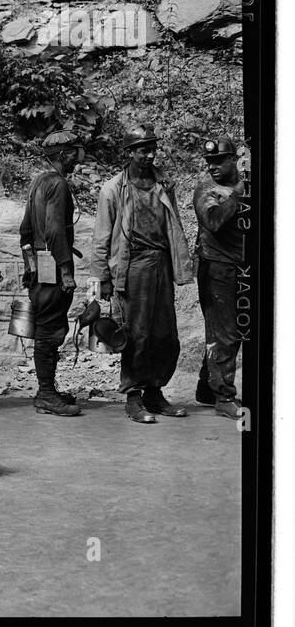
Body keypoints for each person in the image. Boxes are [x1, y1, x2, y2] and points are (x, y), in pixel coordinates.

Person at [92, 124, 194, 424]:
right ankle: (134, 397)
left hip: (160, 263)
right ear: (129, 152)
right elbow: (101, 238)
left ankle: (155, 393)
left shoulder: (164, 184)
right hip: (132, 266)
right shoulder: (113, 189)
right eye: (142, 149)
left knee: (165, 334)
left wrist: (179, 265)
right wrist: (104, 281)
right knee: (136, 334)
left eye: (152, 148)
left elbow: (173, 227)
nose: (148, 155)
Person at [19, 130, 85, 417]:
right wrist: (66, 271)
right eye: (75, 153)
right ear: (64, 155)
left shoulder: (38, 182)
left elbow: (25, 231)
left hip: (40, 266)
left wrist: (28, 265)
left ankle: (48, 389)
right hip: (53, 268)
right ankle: (45, 393)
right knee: (50, 329)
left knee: (47, 326)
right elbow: (55, 231)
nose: (77, 158)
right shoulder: (57, 184)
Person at [193, 136, 247, 420]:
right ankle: (224, 396)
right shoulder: (206, 190)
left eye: (219, 161)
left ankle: (207, 387)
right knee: (224, 332)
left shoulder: (240, 186)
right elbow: (213, 221)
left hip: (238, 267)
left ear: (233, 160)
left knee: (225, 330)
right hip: (216, 268)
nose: (213, 166)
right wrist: (237, 194)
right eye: (209, 162)